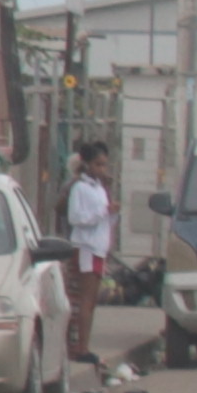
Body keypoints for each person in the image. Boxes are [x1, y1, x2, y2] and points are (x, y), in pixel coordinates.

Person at [68, 139, 122, 377]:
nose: (103, 169)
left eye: (104, 165)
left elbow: (104, 220)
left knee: (91, 301)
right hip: (86, 247)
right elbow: (76, 218)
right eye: (98, 165)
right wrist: (103, 211)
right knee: (85, 301)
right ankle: (81, 348)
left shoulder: (99, 188)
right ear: (87, 164)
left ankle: (83, 345)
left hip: (99, 248)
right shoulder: (80, 188)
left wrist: (112, 213)